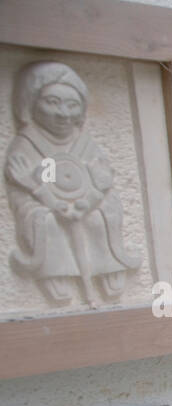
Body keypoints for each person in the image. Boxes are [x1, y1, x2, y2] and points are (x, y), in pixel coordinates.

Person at [5, 60, 140, 305]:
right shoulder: (27, 143)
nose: (63, 114)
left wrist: (88, 199)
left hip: (85, 203)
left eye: (72, 105)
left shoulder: (83, 142)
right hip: (47, 203)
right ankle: (57, 273)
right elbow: (31, 182)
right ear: (31, 103)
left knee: (102, 216)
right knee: (45, 221)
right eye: (52, 103)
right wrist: (52, 200)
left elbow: (101, 179)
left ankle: (106, 266)